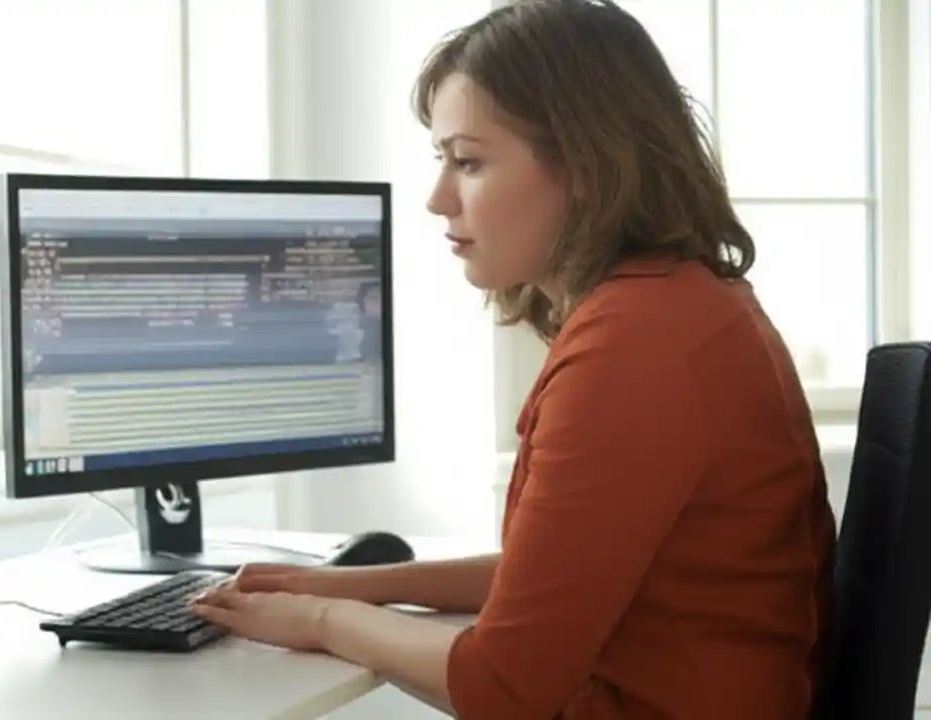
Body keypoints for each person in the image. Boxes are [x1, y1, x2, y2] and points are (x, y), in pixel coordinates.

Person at [191, 1, 836, 718]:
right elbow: (557, 584)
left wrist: (320, 623)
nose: (438, 200)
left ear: (588, 164)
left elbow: (503, 685)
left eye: (467, 161)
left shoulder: (633, 349)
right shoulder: (678, 309)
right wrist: (345, 586)